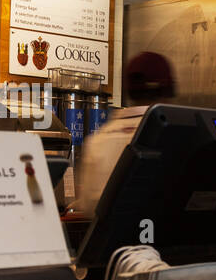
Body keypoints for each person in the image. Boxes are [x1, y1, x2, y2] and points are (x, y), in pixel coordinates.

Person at [71, 52, 175, 218]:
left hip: (110, 234)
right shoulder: (172, 138)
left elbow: (88, 206)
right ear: (167, 91)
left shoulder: (97, 141)